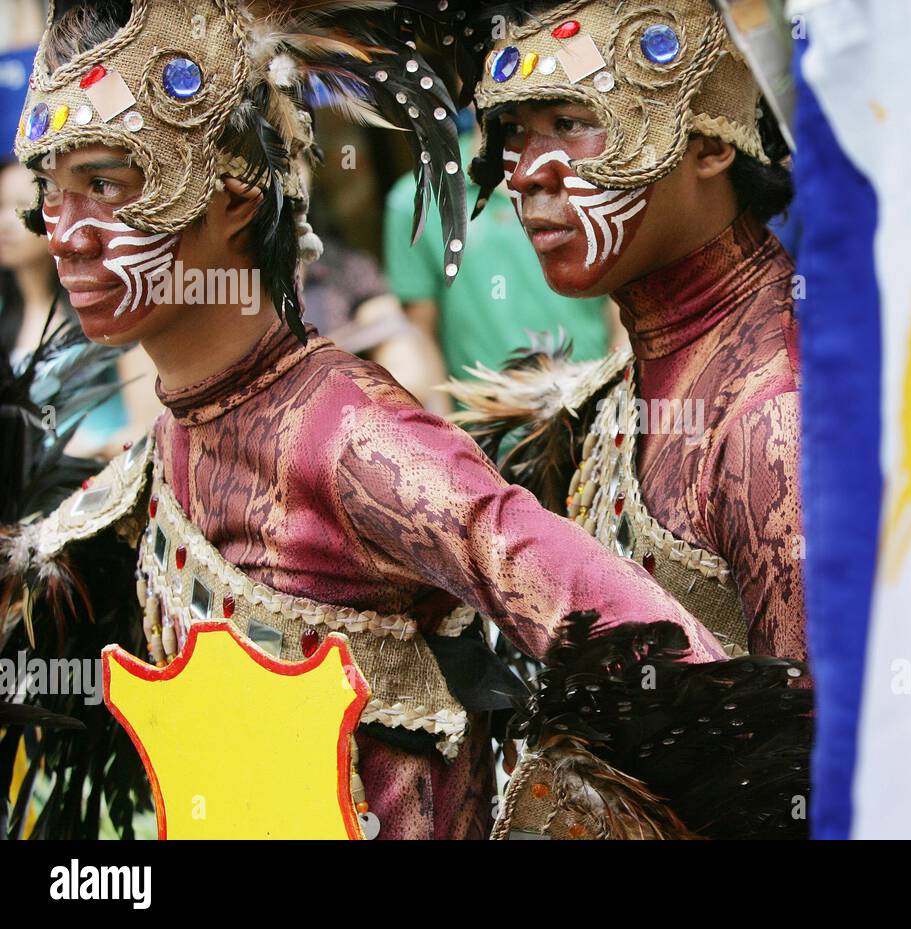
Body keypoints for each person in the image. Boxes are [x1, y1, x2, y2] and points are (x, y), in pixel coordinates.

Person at [4, 0, 742, 841]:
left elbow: (637, 637)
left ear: (236, 198)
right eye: (50, 194)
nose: (65, 234)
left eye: (103, 183)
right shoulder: (169, 447)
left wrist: (755, 776)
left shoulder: (352, 437)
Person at [447, 0, 807, 662]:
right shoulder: (618, 387)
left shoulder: (774, 419)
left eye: (571, 123)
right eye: (516, 132)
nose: (526, 172)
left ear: (711, 146)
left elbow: (813, 754)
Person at [384, 111, 621, 417]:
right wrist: (446, 446)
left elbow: (623, 307)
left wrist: (618, 409)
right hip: (488, 435)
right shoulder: (419, 200)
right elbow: (421, 335)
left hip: (595, 416)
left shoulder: (593, 175)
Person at [0, 156, 160, 457]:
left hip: (96, 482)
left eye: (20, 204)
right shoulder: (5, 312)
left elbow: (148, 424)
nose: (6, 222)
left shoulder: (105, 304)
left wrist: (85, 452)